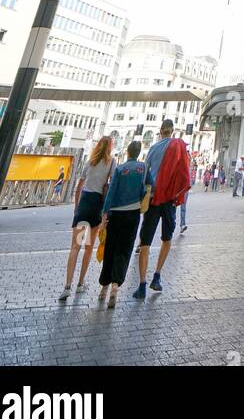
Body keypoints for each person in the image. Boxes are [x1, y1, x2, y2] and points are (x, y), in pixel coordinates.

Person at [134, 120, 190, 299]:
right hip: (169, 200)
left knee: (145, 242)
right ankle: (157, 276)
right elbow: (184, 172)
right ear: (173, 131)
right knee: (167, 238)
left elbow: (145, 173)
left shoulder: (153, 149)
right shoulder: (178, 146)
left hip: (153, 198)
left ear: (160, 131)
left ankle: (142, 284)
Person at [60, 136, 114, 302]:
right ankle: (81, 282)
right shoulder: (111, 163)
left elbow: (79, 187)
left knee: (75, 246)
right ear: (110, 147)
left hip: (84, 205)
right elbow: (111, 185)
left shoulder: (90, 162)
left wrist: (77, 206)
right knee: (89, 247)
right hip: (96, 207)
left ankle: (67, 286)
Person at [98, 140, 150, 308]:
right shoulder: (143, 168)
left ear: (127, 152)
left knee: (110, 250)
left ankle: (103, 288)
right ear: (139, 152)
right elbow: (150, 186)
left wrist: (105, 215)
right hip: (133, 214)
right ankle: (115, 285)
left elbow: (111, 192)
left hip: (116, 214)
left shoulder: (120, 169)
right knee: (124, 250)